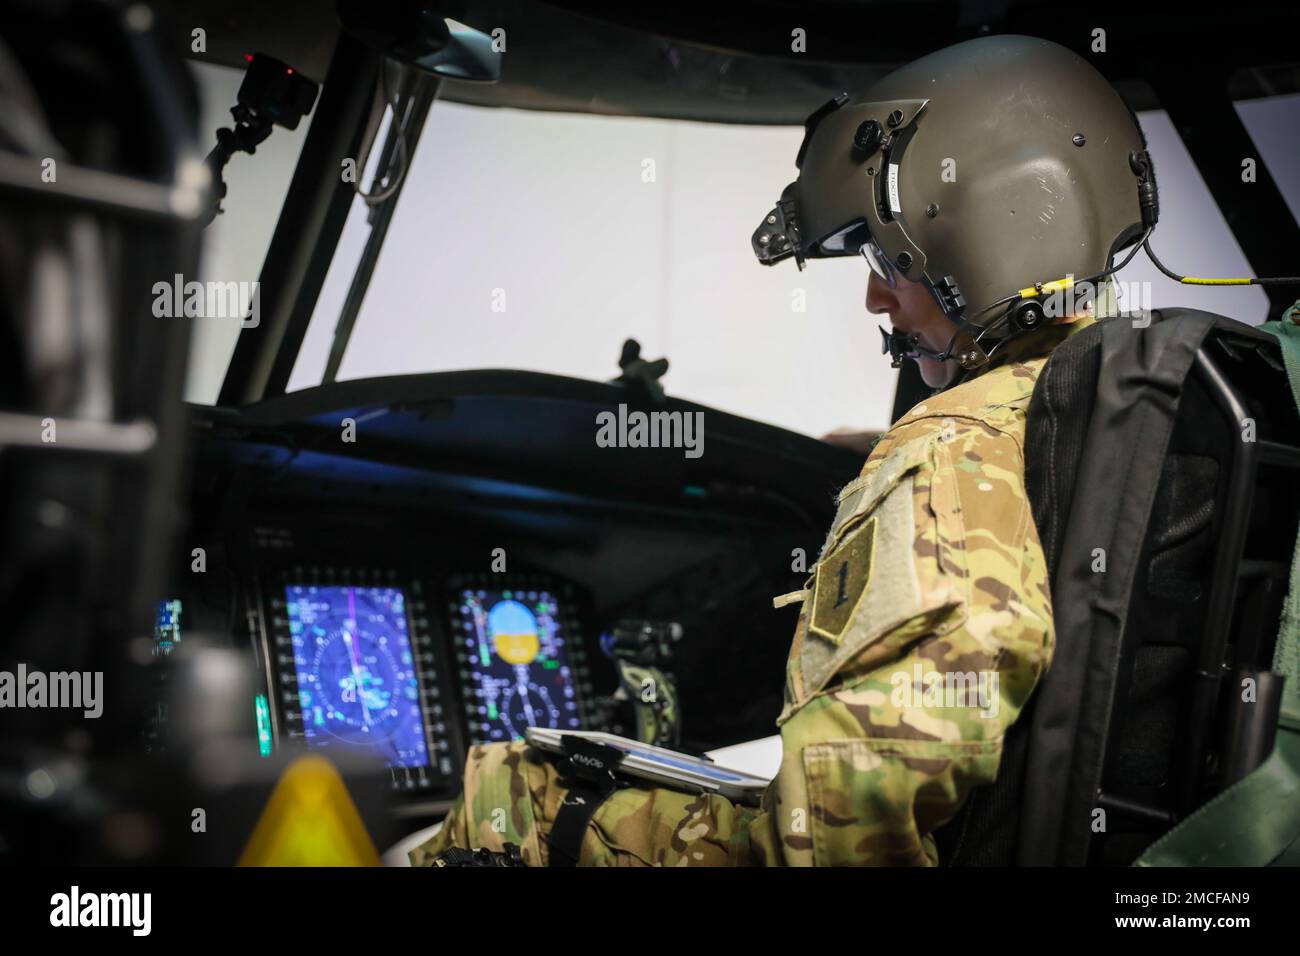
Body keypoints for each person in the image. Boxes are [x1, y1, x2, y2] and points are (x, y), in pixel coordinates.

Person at [411, 33, 1149, 866]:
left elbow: (836, 837)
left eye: (885, 259)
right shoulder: (1129, 407)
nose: (876, 297)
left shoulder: (952, 455)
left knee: (512, 793)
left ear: (979, 240)